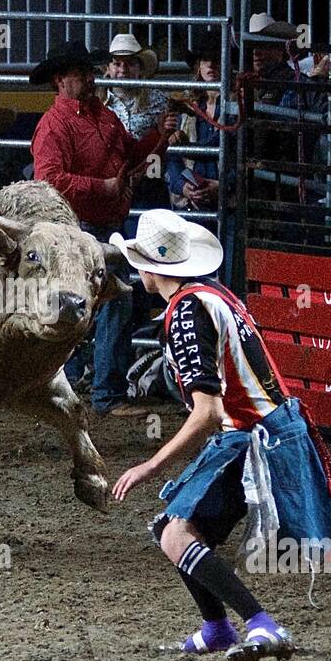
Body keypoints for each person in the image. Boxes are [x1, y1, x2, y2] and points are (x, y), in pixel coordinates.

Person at [108, 209, 331, 661]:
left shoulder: (185, 312)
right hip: (269, 429)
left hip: (252, 436)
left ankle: (263, 624)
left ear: (147, 268)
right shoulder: (214, 294)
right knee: (170, 528)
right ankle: (217, 627)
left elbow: (207, 412)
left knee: (176, 535)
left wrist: (151, 465)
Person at [29, 40, 176, 416]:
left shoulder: (102, 116)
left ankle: (81, 377)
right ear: (61, 81)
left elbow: (130, 153)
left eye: (90, 72)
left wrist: (160, 136)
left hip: (103, 223)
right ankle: (106, 393)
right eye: (81, 73)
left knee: (101, 302)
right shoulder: (54, 125)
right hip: (79, 227)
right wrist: (103, 186)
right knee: (114, 300)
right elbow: (49, 180)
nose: (91, 78)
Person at [165, 30, 237, 284]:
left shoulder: (238, 107)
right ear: (198, 65)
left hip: (227, 205)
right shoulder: (186, 108)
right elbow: (171, 158)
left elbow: (245, 155)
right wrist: (183, 187)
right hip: (193, 204)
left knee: (227, 275)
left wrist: (223, 185)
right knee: (193, 273)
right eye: (205, 60)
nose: (211, 66)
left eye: (217, 59)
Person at [103, 33, 168, 210]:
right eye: (117, 63)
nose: (123, 70)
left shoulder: (158, 99)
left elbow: (168, 138)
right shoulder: (95, 101)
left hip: (147, 182)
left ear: (140, 67)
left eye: (131, 63)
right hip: (108, 182)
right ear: (108, 68)